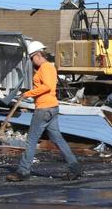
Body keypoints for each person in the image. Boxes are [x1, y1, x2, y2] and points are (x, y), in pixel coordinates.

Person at [6, 41, 82, 181]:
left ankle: (23, 171)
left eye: (31, 57)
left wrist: (28, 93)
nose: (31, 61)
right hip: (52, 108)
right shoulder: (49, 67)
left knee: (31, 141)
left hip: (44, 108)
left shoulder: (45, 68)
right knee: (57, 139)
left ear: (38, 55)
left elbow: (46, 86)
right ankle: (74, 167)